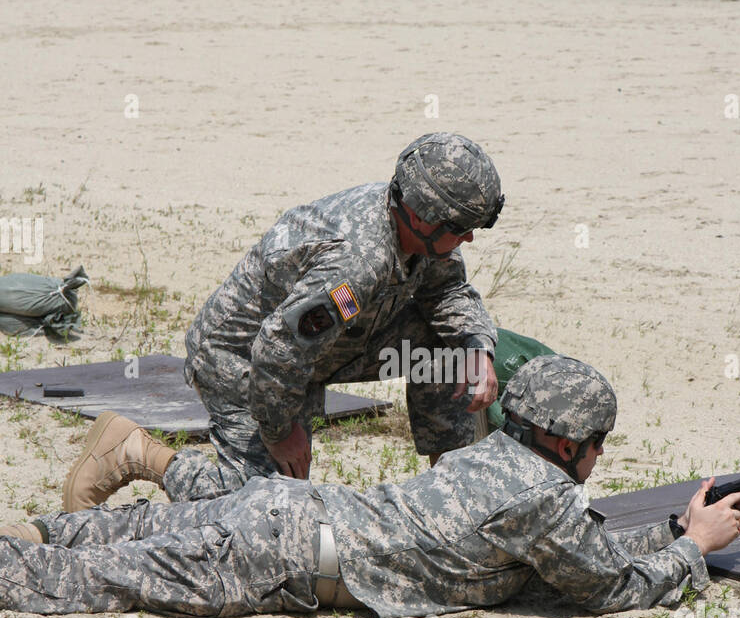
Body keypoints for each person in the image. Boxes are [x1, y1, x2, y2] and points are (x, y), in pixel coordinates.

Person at [0, 356, 740, 618]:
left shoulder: (487, 454)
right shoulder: (546, 500)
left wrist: (674, 527)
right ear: (568, 444)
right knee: (77, 583)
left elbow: (581, 551)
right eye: (596, 446)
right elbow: (605, 589)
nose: (596, 460)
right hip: (289, 554)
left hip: (280, 513)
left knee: (78, 537)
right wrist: (695, 548)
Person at [62, 132, 505, 512]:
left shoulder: (421, 229)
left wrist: (478, 348)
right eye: (460, 226)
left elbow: (446, 293)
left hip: (320, 349)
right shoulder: (356, 261)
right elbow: (277, 349)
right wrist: (279, 431)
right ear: (420, 214)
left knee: (452, 345)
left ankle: (453, 489)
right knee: (262, 509)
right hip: (244, 360)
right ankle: (135, 452)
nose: (467, 238)